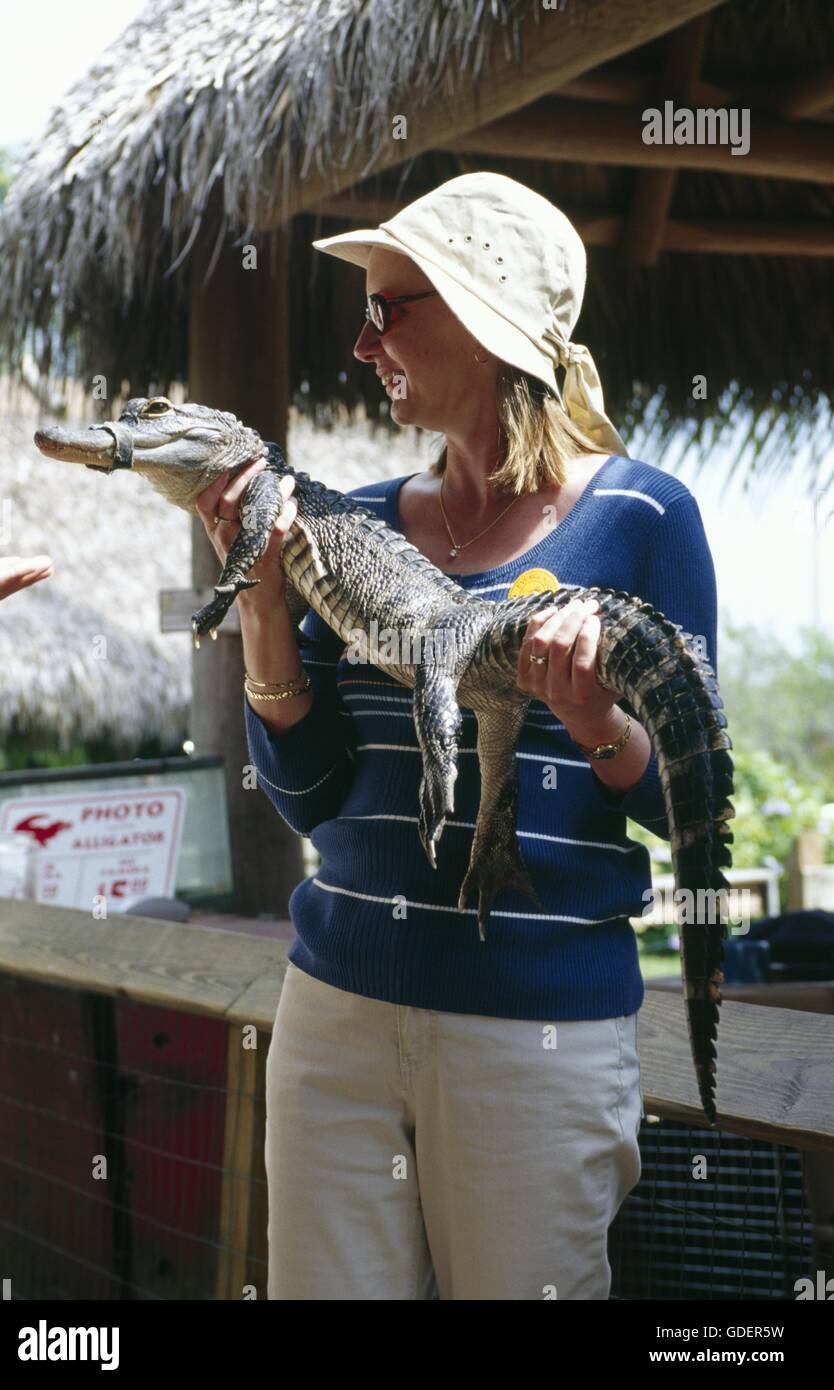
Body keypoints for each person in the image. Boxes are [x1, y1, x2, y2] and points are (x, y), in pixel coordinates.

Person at [194, 173, 719, 1300]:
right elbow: (313, 793)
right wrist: (260, 610)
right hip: (333, 1012)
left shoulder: (643, 515)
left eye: (388, 308)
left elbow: (689, 809)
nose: (358, 340)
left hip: (533, 1038)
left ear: (482, 316)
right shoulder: (359, 523)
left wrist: (593, 724)